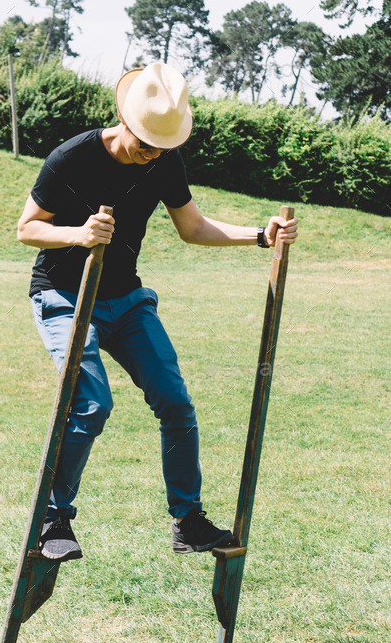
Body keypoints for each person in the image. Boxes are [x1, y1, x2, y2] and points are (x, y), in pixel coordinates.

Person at [17, 62, 298, 562]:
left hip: (125, 297)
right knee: (91, 403)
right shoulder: (71, 157)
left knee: (175, 401)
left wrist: (260, 235)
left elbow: (192, 226)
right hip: (64, 296)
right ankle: (53, 518)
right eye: (146, 143)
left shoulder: (165, 159)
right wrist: (79, 234)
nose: (153, 155)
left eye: (162, 146)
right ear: (123, 119)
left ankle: (188, 521)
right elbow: (27, 228)